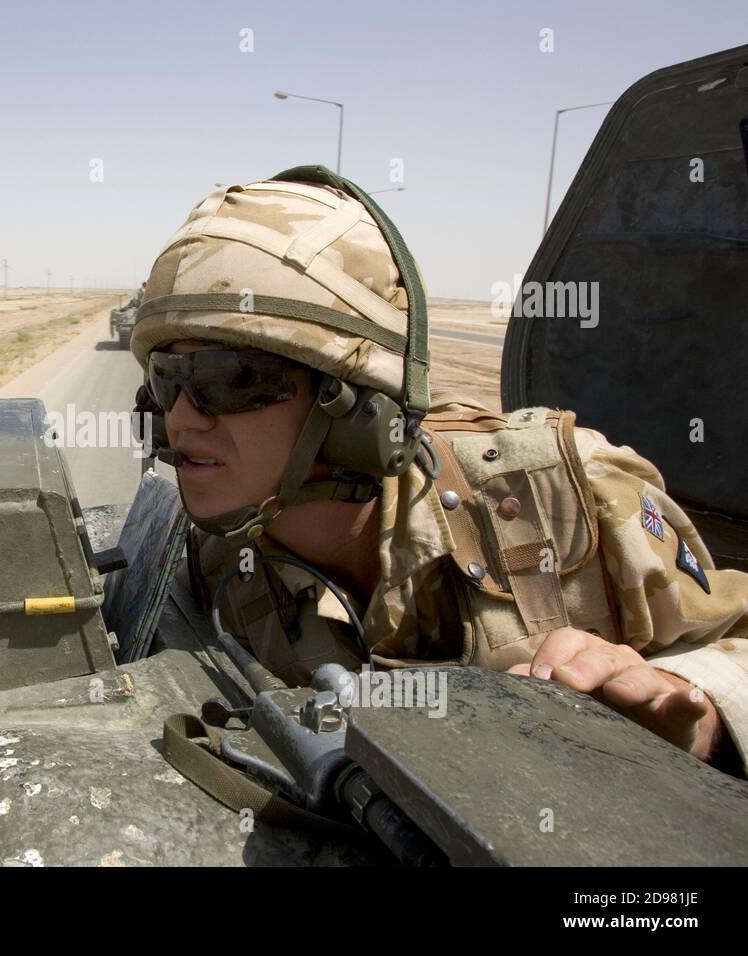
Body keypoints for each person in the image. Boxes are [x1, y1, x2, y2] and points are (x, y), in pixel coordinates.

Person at [130, 166, 746, 774]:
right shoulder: (213, 568)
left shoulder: (569, 497)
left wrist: (697, 711)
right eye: (167, 379)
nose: (181, 418)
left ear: (355, 404)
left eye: (228, 379)